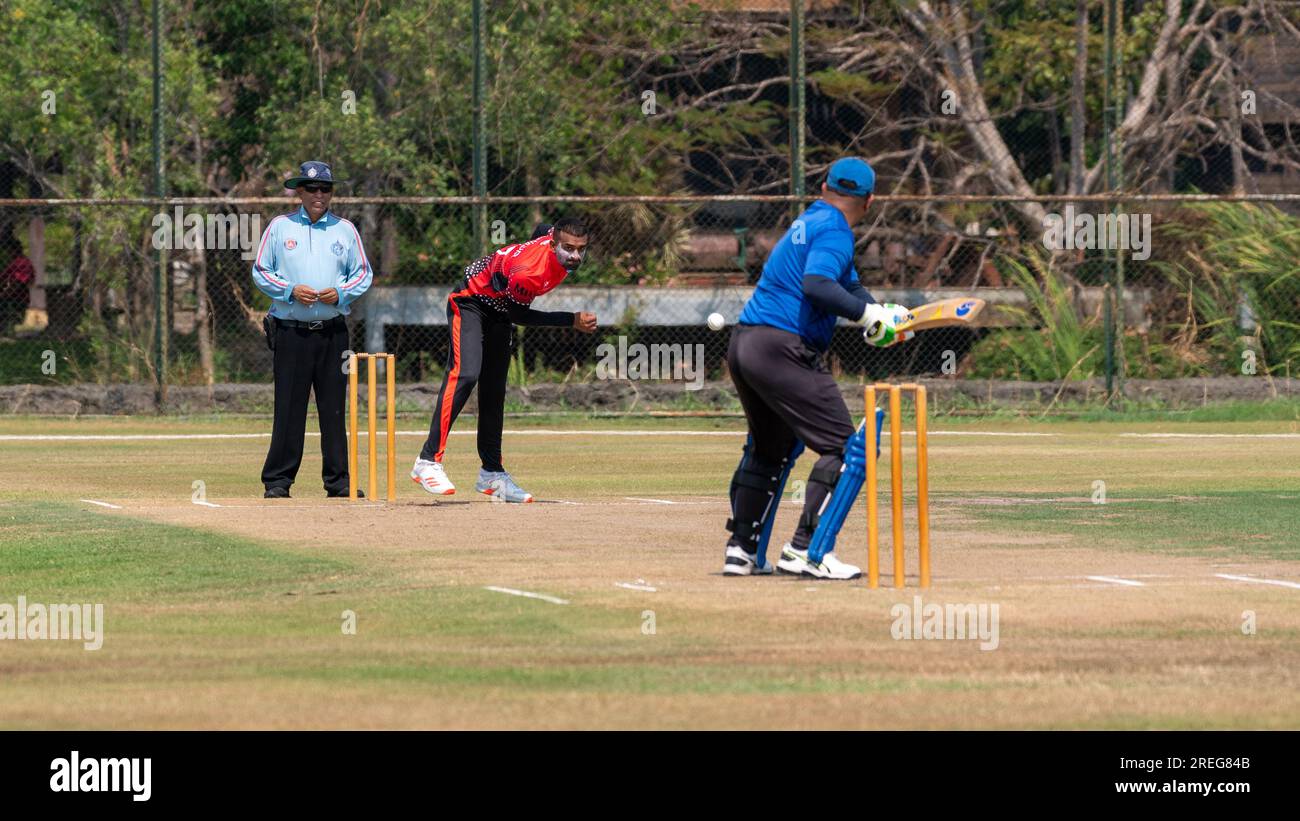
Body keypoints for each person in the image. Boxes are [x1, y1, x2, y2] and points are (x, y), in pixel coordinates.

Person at [721, 157, 906, 580]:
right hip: (784, 347)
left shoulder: (811, 220)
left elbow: (848, 286)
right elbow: (818, 285)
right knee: (847, 450)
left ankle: (741, 550)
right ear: (871, 200)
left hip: (746, 344)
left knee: (771, 449)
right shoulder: (836, 230)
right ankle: (808, 550)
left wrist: (883, 314)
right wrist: (866, 317)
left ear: (823, 187)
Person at [411, 216, 598, 502]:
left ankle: (492, 474)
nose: (574, 256)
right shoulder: (528, 272)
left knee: (494, 391)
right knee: (465, 374)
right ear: (553, 243)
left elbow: (540, 228)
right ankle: (427, 462)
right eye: (568, 248)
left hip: (498, 310)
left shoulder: (550, 240)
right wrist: (570, 319)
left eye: (581, 249)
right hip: (471, 301)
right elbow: (519, 316)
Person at [251, 161, 373, 498]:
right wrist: (290, 290)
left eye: (326, 189)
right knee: (289, 407)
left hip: (333, 332)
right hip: (291, 331)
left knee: (334, 408)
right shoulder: (280, 227)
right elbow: (261, 271)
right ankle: (278, 481)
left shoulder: (345, 230)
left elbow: (363, 273)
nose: (319, 195)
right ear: (300, 191)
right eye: (312, 188)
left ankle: (339, 481)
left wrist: (342, 292)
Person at [0, 230, 33, 331]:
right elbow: (3, 276)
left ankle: (7, 327)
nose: (7, 253)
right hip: (12, 294)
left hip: (18, 296)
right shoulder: (15, 262)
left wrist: (4, 294)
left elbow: (18, 283)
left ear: (13, 250)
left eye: (8, 250)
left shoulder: (22, 263)